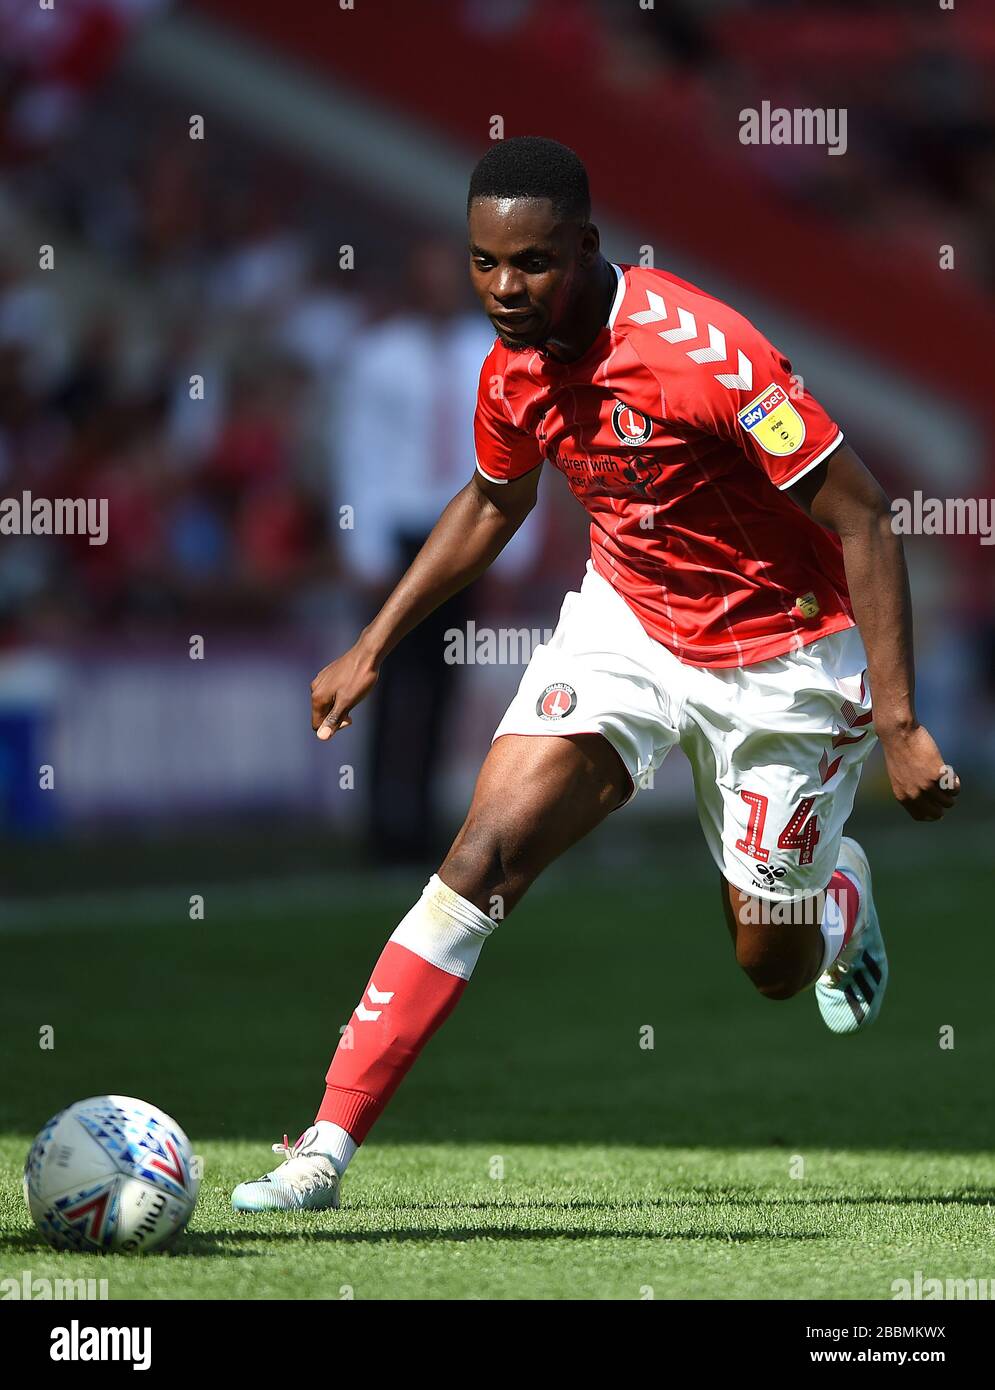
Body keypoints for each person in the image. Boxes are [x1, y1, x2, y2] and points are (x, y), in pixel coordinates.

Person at [232, 136, 959, 1213]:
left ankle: (834, 891)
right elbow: (491, 501)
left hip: (784, 654)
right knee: (480, 855)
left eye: (529, 263)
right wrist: (373, 642)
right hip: (625, 628)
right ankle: (323, 1146)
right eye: (484, 263)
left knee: (769, 963)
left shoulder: (706, 353)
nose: (504, 289)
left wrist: (897, 726)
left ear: (585, 246)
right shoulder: (509, 369)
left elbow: (860, 512)